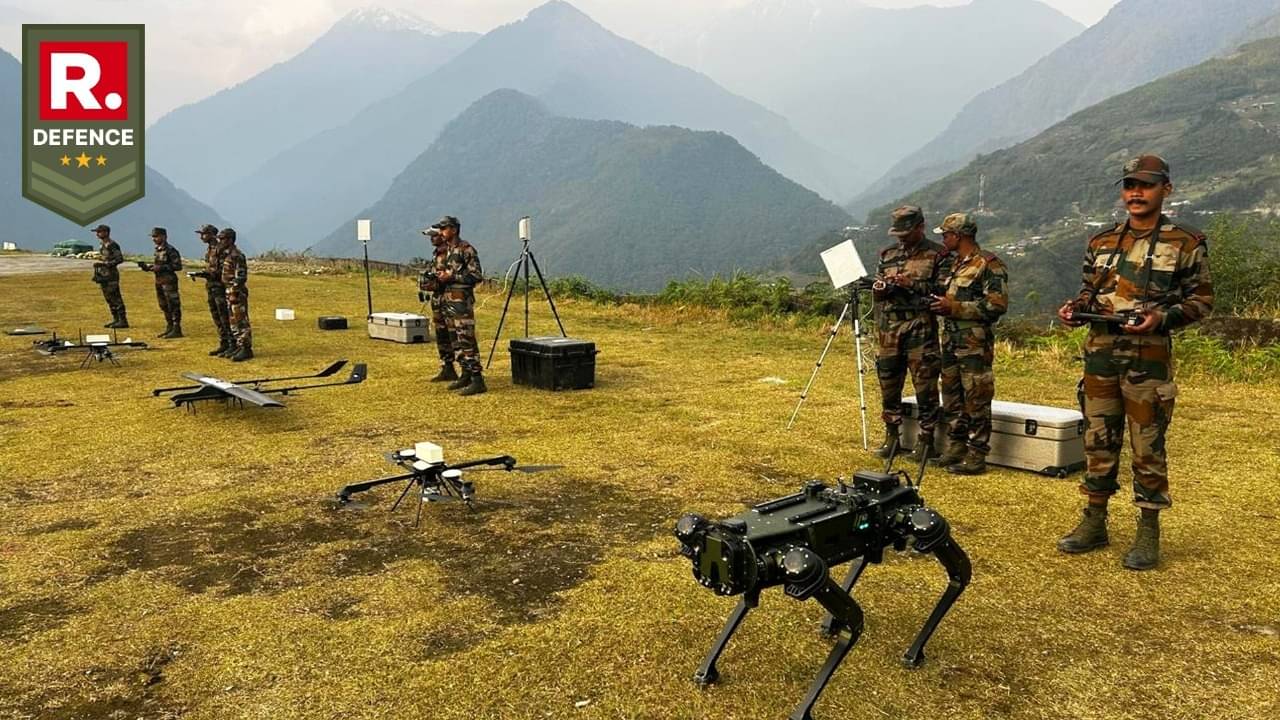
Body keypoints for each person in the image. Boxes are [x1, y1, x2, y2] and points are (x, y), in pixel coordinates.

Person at [1055, 155, 1213, 571]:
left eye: (1145, 185)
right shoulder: (1102, 241)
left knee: (1148, 445)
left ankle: (1148, 530)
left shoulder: (1185, 243)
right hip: (1100, 355)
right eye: (1129, 185)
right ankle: (1094, 520)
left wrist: (1161, 318)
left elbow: (1201, 301)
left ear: (1166, 189)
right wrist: (1075, 309)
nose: (1136, 193)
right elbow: (1089, 291)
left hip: (1148, 360)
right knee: (1098, 439)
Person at [928, 213, 1009, 475]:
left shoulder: (988, 264)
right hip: (951, 338)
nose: (943, 239)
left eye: (946, 235)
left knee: (976, 396)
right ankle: (956, 446)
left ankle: (977, 453)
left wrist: (954, 307)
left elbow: (996, 306)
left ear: (958, 236)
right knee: (951, 394)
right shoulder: (954, 264)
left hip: (974, 341)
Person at [872, 205, 947, 461]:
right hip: (890, 328)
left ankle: (926, 440)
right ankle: (892, 436)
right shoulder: (888, 254)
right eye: (898, 235)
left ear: (920, 227)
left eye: (906, 233)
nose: (902, 239)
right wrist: (881, 289)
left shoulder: (937, 255)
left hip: (920, 326)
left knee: (925, 385)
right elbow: (878, 290)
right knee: (888, 383)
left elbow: (943, 291)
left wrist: (911, 284)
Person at [432, 216, 486, 396]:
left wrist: (452, 277)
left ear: (454, 229)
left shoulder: (466, 249)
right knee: (455, 340)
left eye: (444, 228)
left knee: (466, 339)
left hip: (461, 303)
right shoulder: (447, 251)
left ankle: (478, 379)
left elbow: (476, 276)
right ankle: (465, 373)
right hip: (448, 302)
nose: (441, 232)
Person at [418, 226, 456, 382]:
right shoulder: (437, 254)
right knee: (441, 334)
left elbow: (454, 276)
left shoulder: (451, 253)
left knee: (455, 335)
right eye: (431, 236)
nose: (432, 239)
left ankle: (468, 372)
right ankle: (447, 367)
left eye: (434, 236)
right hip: (438, 299)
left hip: (451, 299)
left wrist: (442, 279)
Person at [193, 224, 233, 356]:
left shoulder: (220, 249)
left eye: (204, 234)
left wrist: (208, 274)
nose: (201, 237)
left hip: (219, 287)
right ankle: (224, 342)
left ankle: (231, 343)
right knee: (216, 315)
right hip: (211, 286)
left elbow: (223, 270)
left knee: (224, 316)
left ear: (211, 235)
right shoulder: (210, 249)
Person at [137, 227, 184, 338]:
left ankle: (177, 329)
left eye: (156, 236)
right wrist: (148, 267)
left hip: (169, 282)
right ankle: (169, 326)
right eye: (153, 237)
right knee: (164, 305)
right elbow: (158, 265)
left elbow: (178, 266)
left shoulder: (170, 250)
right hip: (159, 281)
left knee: (173, 305)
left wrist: (161, 268)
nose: (154, 239)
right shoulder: (158, 250)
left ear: (164, 236)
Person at [217, 228, 253, 362]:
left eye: (223, 239)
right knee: (233, 321)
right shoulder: (227, 254)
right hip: (228, 291)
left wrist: (234, 291)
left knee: (241, 321)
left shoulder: (237, 255)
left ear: (230, 240)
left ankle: (246, 348)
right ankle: (239, 345)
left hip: (236, 292)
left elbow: (241, 277)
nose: (220, 241)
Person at [91, 224, 128, 328]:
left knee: (115, 297)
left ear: (106, 233)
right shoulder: (102, 245)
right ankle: (116, 319)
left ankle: (123, 320)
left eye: (99, 232)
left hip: (111, 275)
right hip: (104, 275)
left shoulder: (112, 245)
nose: (97, 234)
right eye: (97, 232)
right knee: (109, 298)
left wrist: (107, 264)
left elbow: (119, 259)